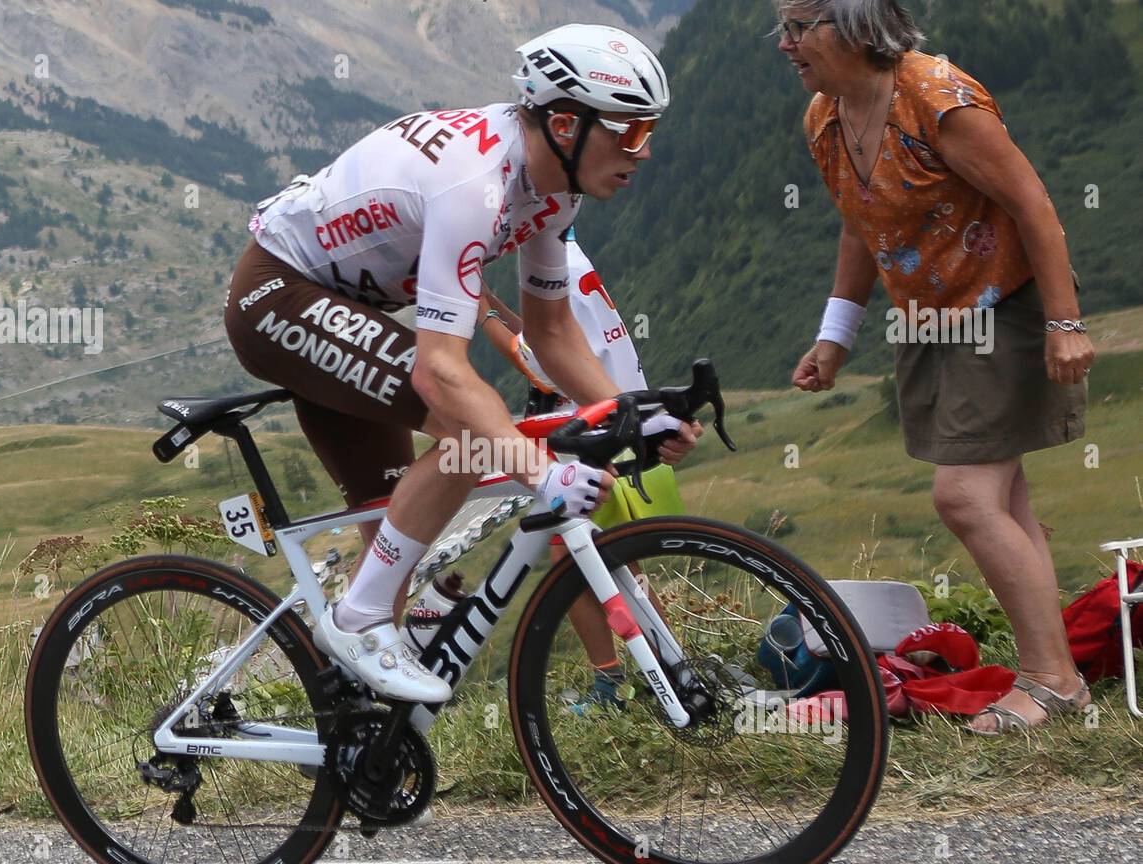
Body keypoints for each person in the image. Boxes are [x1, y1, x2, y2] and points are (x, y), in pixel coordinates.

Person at [224, 24, 701, 704]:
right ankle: (356, 625)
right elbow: (440, 372)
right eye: (628, 132)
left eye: (648, 130)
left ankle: (357, 744)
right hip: (278, 296)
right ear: (565, 123)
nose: (644, 152)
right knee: (470, 434)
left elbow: (554, 331)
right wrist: (540, 471)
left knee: (388, 537)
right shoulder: (476, 184)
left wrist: (637, 412)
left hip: (344, 308)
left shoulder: (553, 189)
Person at [778, 1, 1094, 734]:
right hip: (928, 317)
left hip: (1003, 308)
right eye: (783, 29)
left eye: (801, 28)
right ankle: (1052, 672)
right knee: (1004, 500)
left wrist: (1065, 323)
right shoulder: (826, 116)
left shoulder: (940, 100)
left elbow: (1033, 204)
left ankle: (1053, 680)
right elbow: (862, 220)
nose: (786, 45)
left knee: (964, 496)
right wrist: (836, 335)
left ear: (856, 27)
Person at [480, 223, 685, 710]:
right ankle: (668, 665)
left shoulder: (560, 274)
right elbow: (537, 337)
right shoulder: (572, 263)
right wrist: (491, 306)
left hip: (597, 438)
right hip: (615, 430)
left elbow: (538, 363)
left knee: (577, 567)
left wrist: (481, 308)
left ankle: (625, 679)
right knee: (609, 565)